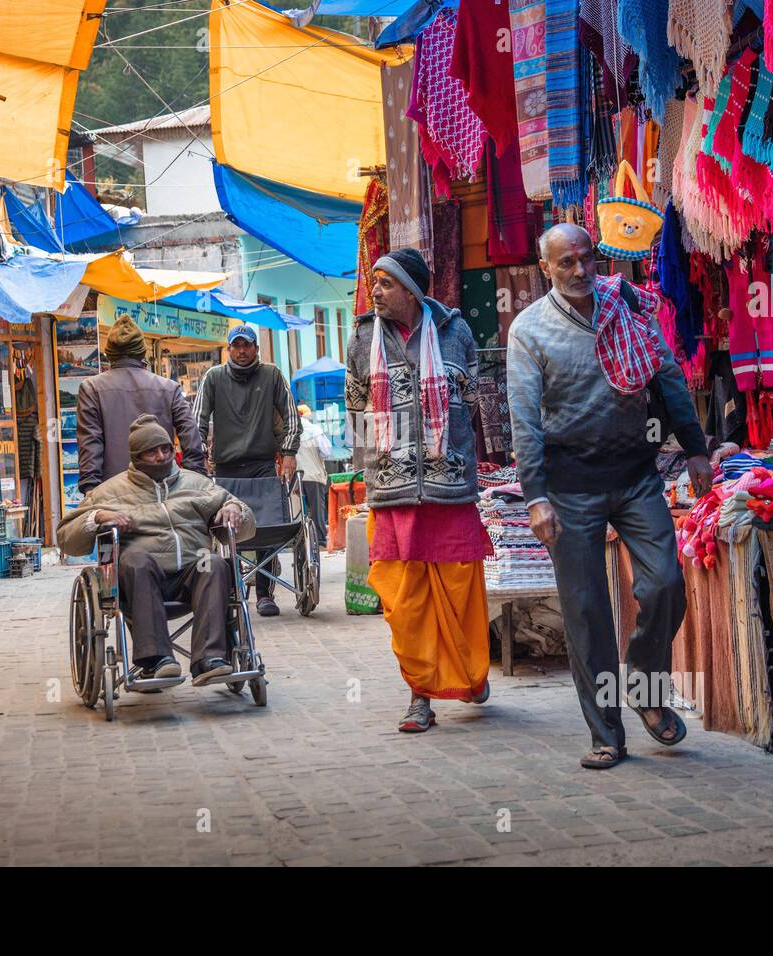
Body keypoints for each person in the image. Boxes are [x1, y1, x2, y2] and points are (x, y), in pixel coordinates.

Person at [506, 223, 714, 770]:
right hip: (568, 487)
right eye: (566, 264)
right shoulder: (529, 331)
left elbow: (668, 376)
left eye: (586, 259)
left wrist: (695, 448)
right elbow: (525, 420)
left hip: (636, 475)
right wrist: (535, 497)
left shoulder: (627, 306)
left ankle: (644, 688)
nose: (580, 272)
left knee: (666, 583)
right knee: (587, 612)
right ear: (544, 267)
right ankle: (606, 733)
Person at [345, 247, 494, 733]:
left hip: (449, 489)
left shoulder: (455, 332)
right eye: (375, 283)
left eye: (385, 284)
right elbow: (358, 411)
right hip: (393, 492)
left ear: (411, 289)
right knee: (404, 601)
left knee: (459, 591)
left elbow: (469, 401)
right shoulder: (363, 337)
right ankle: (420, 694)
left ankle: (469, 673)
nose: (376, 292)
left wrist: (440, 447)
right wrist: (380, 462)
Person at [57, 415, 256, 684]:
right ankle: (155, 660)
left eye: (165, 449)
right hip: (140, 580)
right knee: (137, 559)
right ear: (137, 456)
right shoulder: (109, 492)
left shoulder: (195, 483)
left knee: (214, 563)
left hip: (190, 574)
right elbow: (67, 538)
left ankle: (209, 659)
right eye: (152, 452)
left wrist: (234, 509)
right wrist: (98, 517)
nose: (162, 456)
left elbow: (241, 515)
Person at [193, 324, 300, 617]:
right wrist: (197, 456)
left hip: (263, 465)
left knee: (267, 526)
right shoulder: (213, 378)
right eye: (236, 346)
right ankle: (231, 588)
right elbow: (197, 422)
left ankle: (265, 593)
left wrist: (289, 453)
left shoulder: (272, 375)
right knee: (225, 530)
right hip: (226, 469)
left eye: (247, 345)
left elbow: (291, 415)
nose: (242, 351)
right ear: (229, 349)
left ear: (255, 348)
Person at [77, 314, 206, 495]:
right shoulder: (168, 388)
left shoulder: (91, 388)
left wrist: (90, 489)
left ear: (110, 353)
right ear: (141, 352)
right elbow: (191, 437)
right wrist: (194, 479)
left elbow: (90, 442)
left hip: (113, 494)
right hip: (163, 489)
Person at [295, 403, 332, 547]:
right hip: (313, 475)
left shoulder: (290, 432)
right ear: (307, 416)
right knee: (317, 510)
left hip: (296, 478)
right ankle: (320, 541)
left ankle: (300, 542)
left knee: (298, 511)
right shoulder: (315, 430)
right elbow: (327, 452)